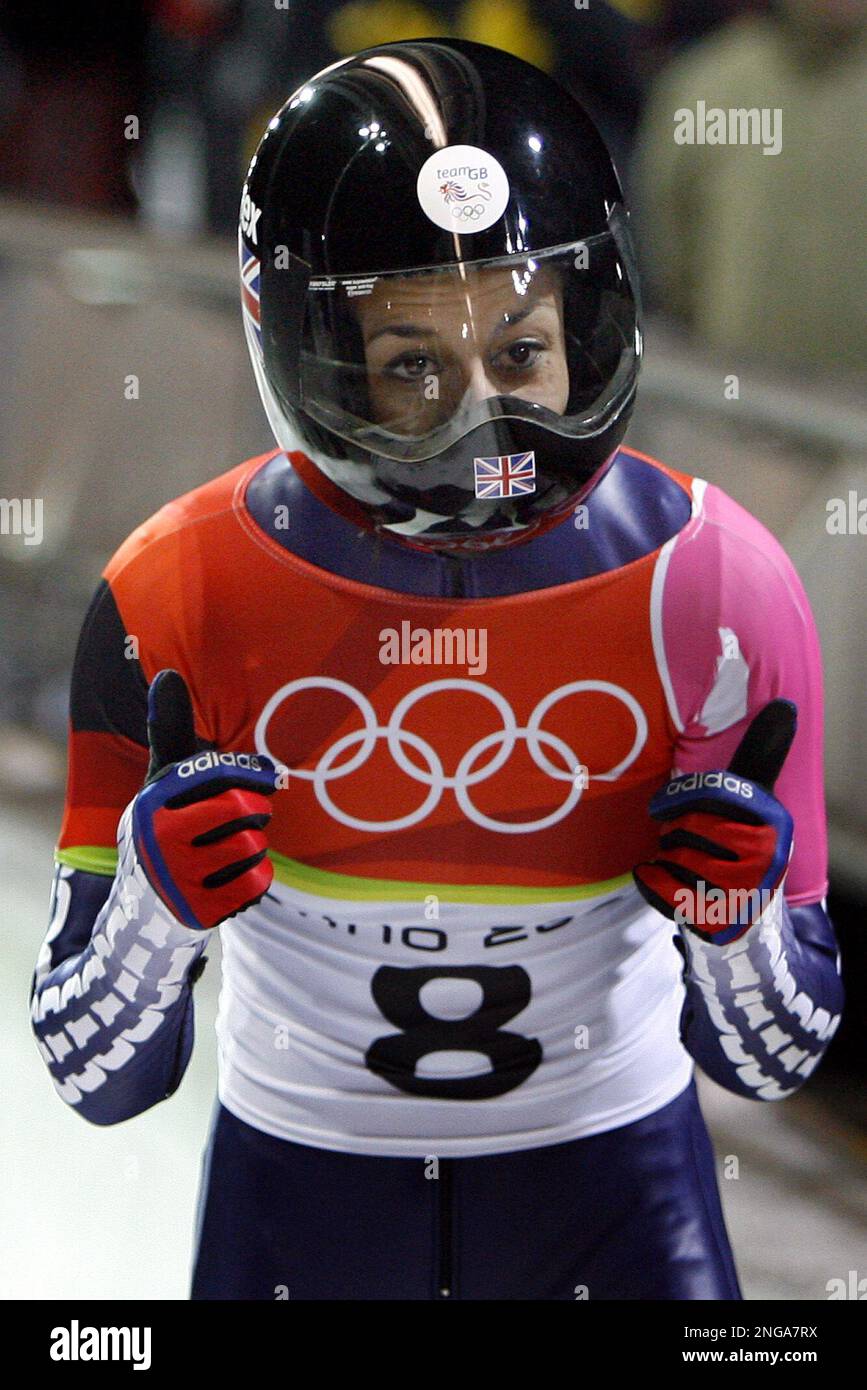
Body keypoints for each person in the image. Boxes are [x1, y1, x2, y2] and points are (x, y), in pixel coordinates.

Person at [31, 38, 843, 1301]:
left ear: (586, 322)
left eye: (520, 354)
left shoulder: (721, 590)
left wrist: (738, 941)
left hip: (602, 1201)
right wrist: (151, 911)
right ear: (311, 354)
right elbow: (99, 1078)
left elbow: (775, 1054)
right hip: (315, 1203)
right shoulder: (170, 595)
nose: (487, 422)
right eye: (415, 369)